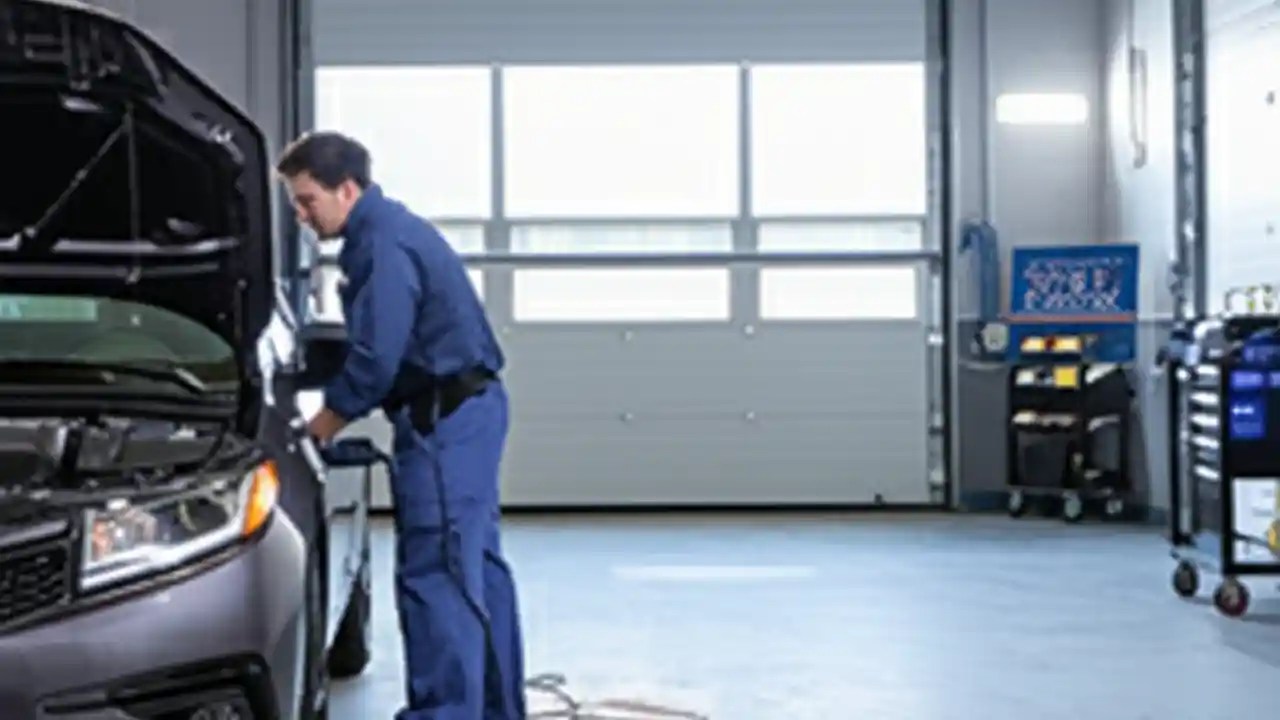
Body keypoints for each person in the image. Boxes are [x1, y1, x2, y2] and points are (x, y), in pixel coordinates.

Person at [275, 131, 526, 720]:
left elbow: (375, 358)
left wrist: (319, 427)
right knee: (475, 573)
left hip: (445, 423)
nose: (301, 215)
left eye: (307, 200)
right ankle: (493, 710)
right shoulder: (389, 231)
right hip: (465, 413)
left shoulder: (382, 247)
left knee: (436, 574)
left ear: (347, 188)